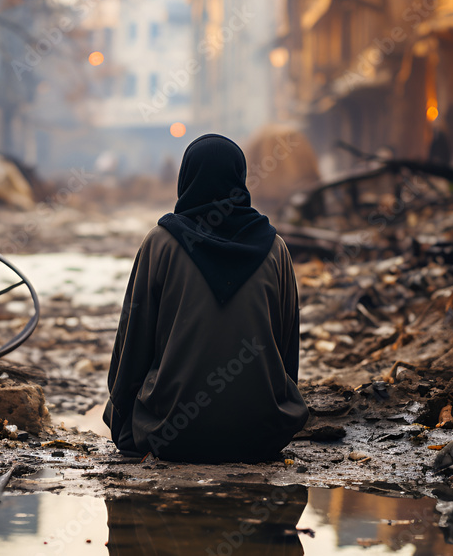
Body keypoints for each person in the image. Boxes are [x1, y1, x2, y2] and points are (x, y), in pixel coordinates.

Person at [103, 134, 308, 463]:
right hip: (262, 436)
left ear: (186, 178)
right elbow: (286, 349)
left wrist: (122, 418)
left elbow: (133, 343)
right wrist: (275, 412)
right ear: (239, 179)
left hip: (170, 433)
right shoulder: (275, 248)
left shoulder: (161, 243)